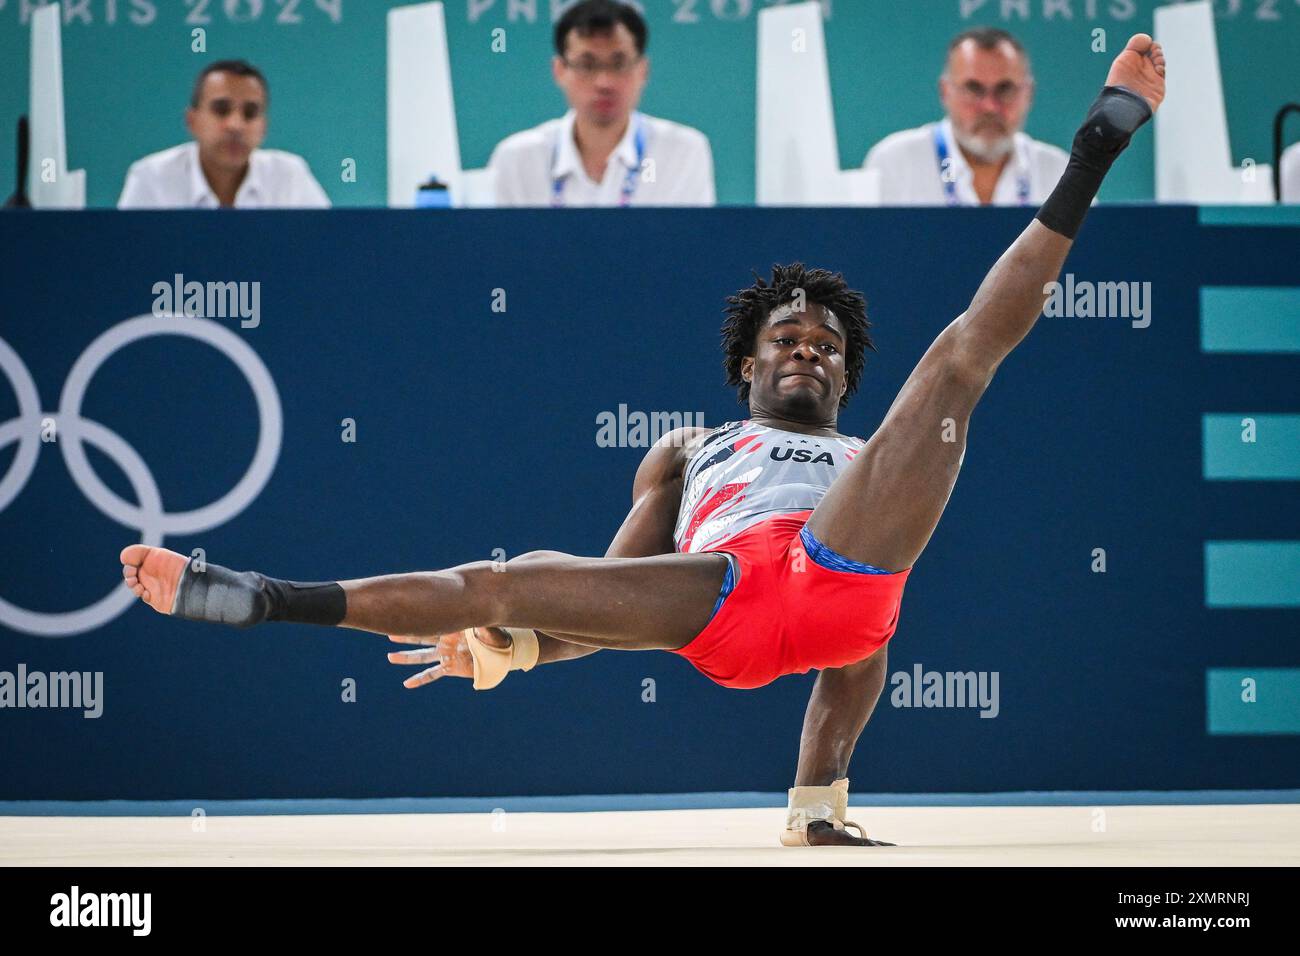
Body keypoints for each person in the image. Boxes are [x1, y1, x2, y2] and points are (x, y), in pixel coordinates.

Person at [119, 36, 1165, 847]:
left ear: (847, 375)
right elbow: (619, 583)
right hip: (725, 597)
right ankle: (262, 594)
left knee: (956, 365)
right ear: (744, 368)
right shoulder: (686, 447)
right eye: (784, 339)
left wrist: (819, 788)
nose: (806, 351)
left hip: (849, 581)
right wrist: (519, 639)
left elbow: (861, 650)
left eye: (826, 345)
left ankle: (1095, 147)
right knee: (507, 572)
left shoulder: (872, 460)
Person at [487, 0, 714, 207]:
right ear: (559, 70)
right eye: (587, 65)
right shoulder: (518, 158)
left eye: (619, 64)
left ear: (643, 70)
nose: (604, 82)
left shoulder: (681, 151)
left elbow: (689, 246)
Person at [864, 27, 1067, 207]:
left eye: (1005, 90)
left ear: (1028, 93)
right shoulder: (895, 163)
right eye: (973, 89)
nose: (990, 107)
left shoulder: (1059, 173)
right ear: (945, 92)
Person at [118, 60, 329, 209]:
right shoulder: (151, 177)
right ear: (192, 121)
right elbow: (130, 263)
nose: (236, 125)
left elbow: (324, 256)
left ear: (263, 127)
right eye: (221, 109)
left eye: (250, 113)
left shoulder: (290, 175)